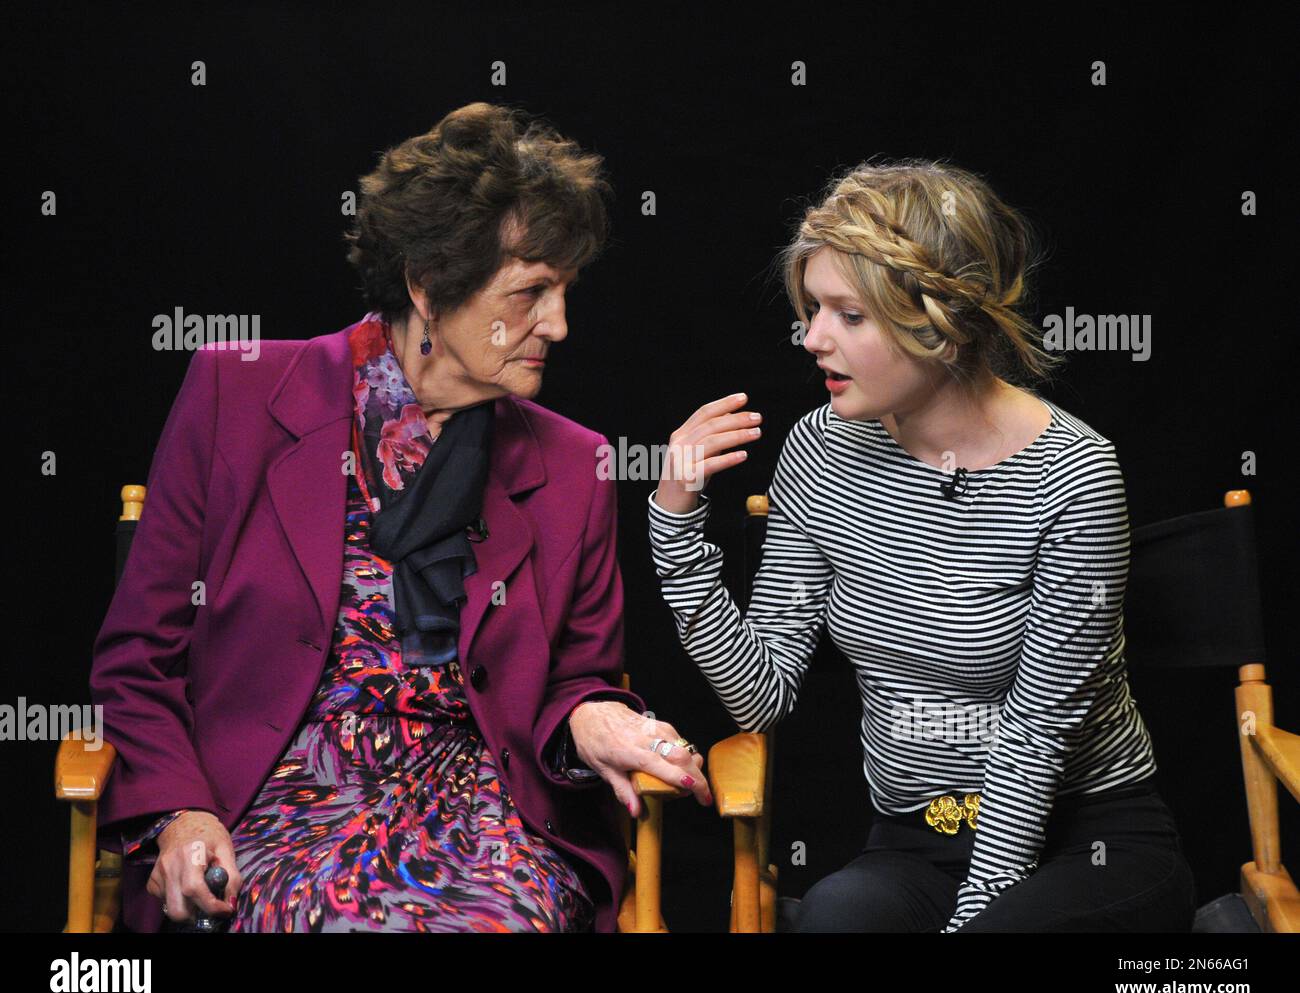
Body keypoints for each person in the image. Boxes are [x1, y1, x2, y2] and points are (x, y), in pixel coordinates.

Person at [90, 101, 710, 934]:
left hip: (486, 805)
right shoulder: (234, 392)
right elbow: (138, 659)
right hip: (268, 796)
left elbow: (574, 678)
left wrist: (595, 718)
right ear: (428, 283)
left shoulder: (574, 464)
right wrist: (179, 813)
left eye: (565, 293)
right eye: (530, 294)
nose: (558, 326)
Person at [647, 158, 1196, 932]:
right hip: (918, 841)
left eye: (849, 314)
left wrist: (966, 926)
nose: (811, 338)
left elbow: (1034, 737)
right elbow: (759, 694)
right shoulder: (821, 451)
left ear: (939, 318)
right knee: (835, 919)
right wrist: (675, 521)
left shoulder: (1074, 477)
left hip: (1088, 834)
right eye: (812, 309)